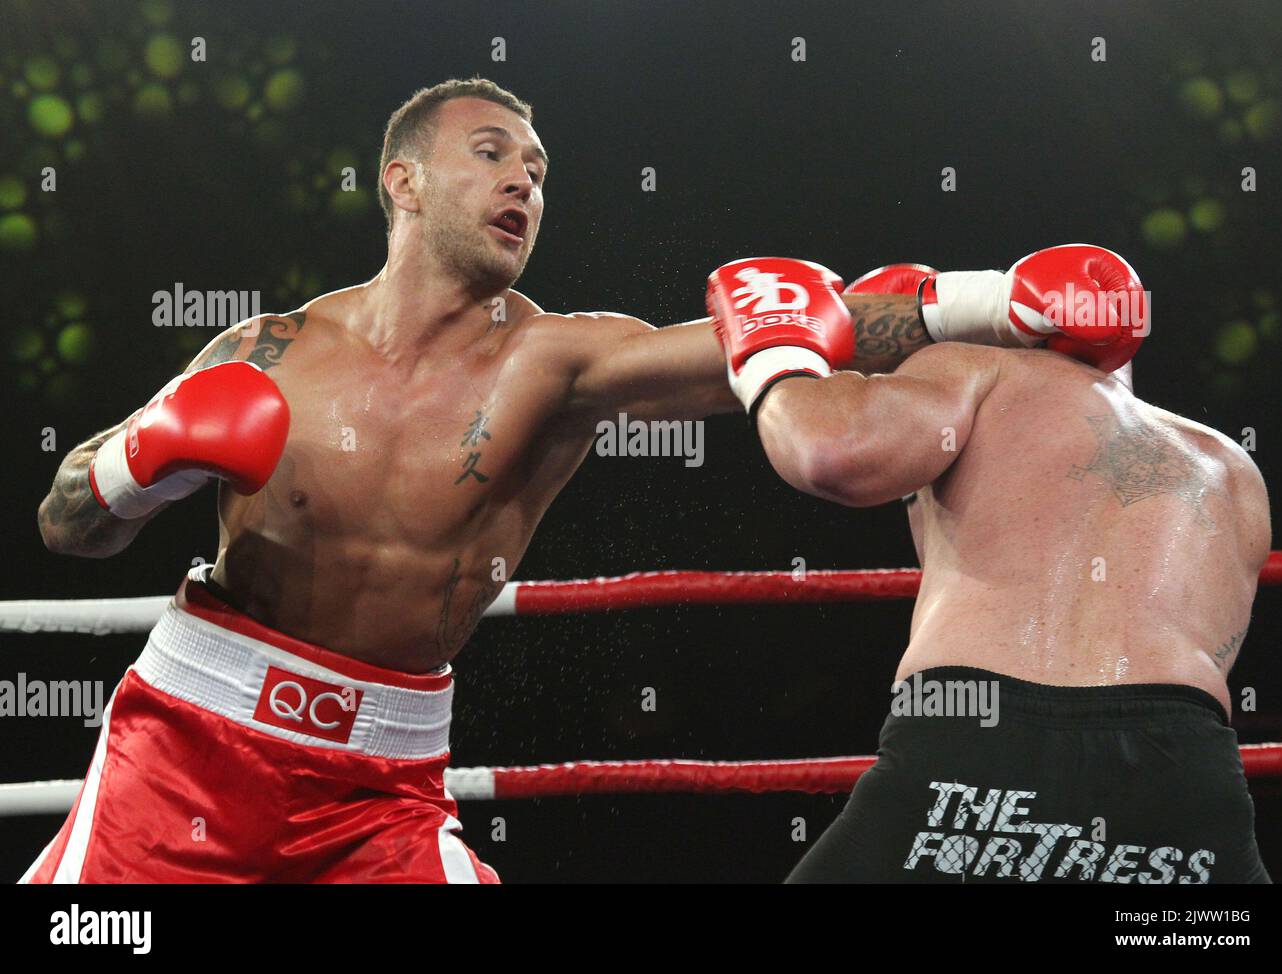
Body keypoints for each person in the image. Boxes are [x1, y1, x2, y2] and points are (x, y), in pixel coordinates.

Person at [27, 76, 1101, 883]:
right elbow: (67, 523)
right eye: (492, 155)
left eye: (537, 172)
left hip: (378, 797)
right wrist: (136, 460)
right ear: (400, 181)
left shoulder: (555, 363)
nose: (523, 184)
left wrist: (994, 304)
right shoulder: (266, 349)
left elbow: (763, 334)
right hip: (179, 757)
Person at [710, 255, 1271, 883]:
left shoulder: (977, 366)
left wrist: (773, 346)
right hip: (1181, 776)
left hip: (979, 746)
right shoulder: (1226, 463)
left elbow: (827, 452)